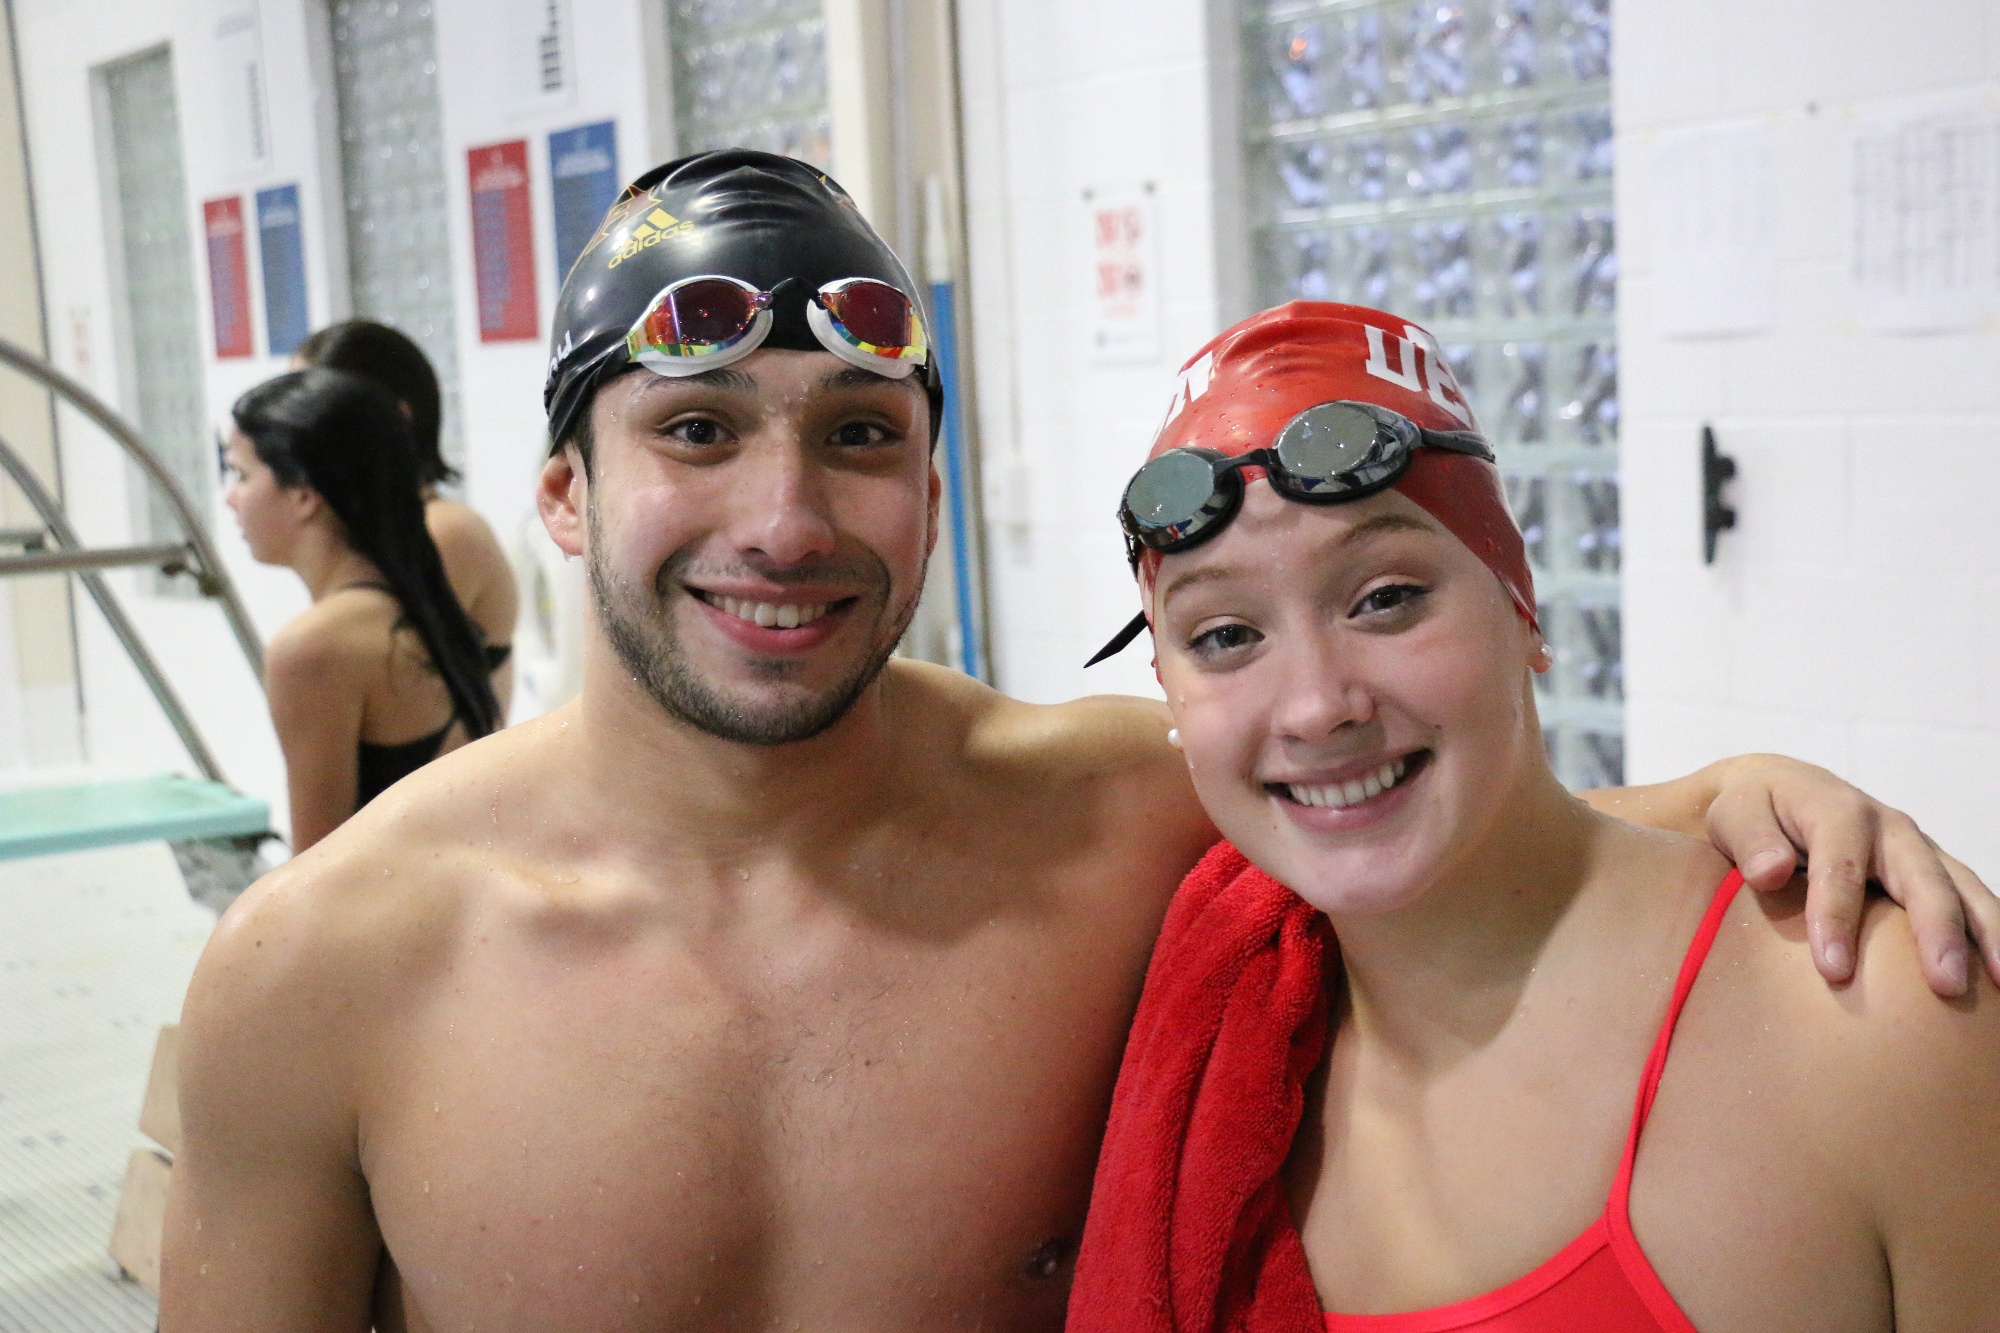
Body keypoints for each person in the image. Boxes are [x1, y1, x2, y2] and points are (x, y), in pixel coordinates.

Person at [162, 153, 1997, 1332]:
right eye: (701, 429)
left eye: (859, 434)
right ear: (567, 489)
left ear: (930, 484)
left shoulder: (1109, 820)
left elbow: (1430, 819)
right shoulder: (323, 973)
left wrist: (1748, 790)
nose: (786, 514)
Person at [1066, 303, 2000, 1331]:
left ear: (1521, 607)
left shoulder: (1875, 1026)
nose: (1315, 704)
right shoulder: (1212, 1041)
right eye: (1226, 633)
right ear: (1167, 695)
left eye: (1382, 598)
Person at [224, 369, 503, 852]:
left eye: (243, 475)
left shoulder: (315, 647)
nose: (231, 498)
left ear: (304, 495)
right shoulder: (425, 608)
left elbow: (318, 869)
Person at [297, 319, 521, 713]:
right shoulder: (378, 536)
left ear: (393, 418)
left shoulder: (446, 532)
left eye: (309, 408)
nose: (289, 430)